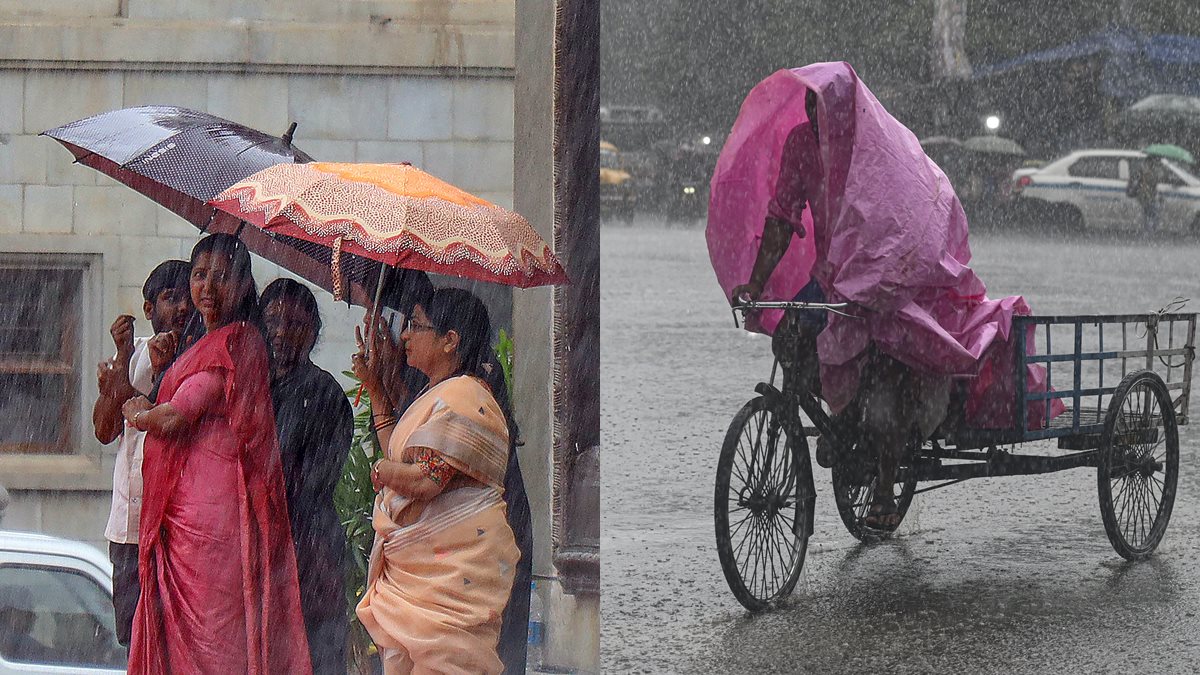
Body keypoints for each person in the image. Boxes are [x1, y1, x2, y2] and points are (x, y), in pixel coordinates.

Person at [120, 233, 312, 674]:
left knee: (213, 638)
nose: (207, 286)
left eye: (222, 276)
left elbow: (176, 416)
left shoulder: (238, 341)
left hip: (211, 523)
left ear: (244, 285)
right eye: (199, 275)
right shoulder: (204, 342)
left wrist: (138, 410)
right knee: (187, 637)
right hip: (185, 513)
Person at [358, 272, 533, 674]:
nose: (405, 336)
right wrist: (374, 386)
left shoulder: (465, 396)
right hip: (419, 572)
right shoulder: (434, 391)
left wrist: (384, 473)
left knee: (444, 660)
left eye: (416, 326)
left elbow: (426, 480)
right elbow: (400, 455)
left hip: (448, 576)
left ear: (450, 340)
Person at [91, 260, 191, 651]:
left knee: (168, 640)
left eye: (187, 299)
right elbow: (104, 428)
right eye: (171, 298)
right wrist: (120, 355)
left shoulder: (194, 358)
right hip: (127, 529)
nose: (182, 308)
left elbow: (165, 418)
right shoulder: (129, 357)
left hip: (170, 528)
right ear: (149, 309)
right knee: (131, 637)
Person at [261, 278, 353, 675]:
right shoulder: (253, 385)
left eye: (295, 324)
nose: (281, 332)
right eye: (272, 321)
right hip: (263, 547)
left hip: (308, 554)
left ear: (313, 332)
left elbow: (311, 483)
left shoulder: (325, 394)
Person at [1128, 156, 1163, 233]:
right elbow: (1152, 185)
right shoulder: (1149, 173)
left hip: (1145, 198)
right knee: (1152, 215)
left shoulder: (1142, 172)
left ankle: (1148, 232)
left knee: (1148, 216)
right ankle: (1150, 233)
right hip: (1148, 198)